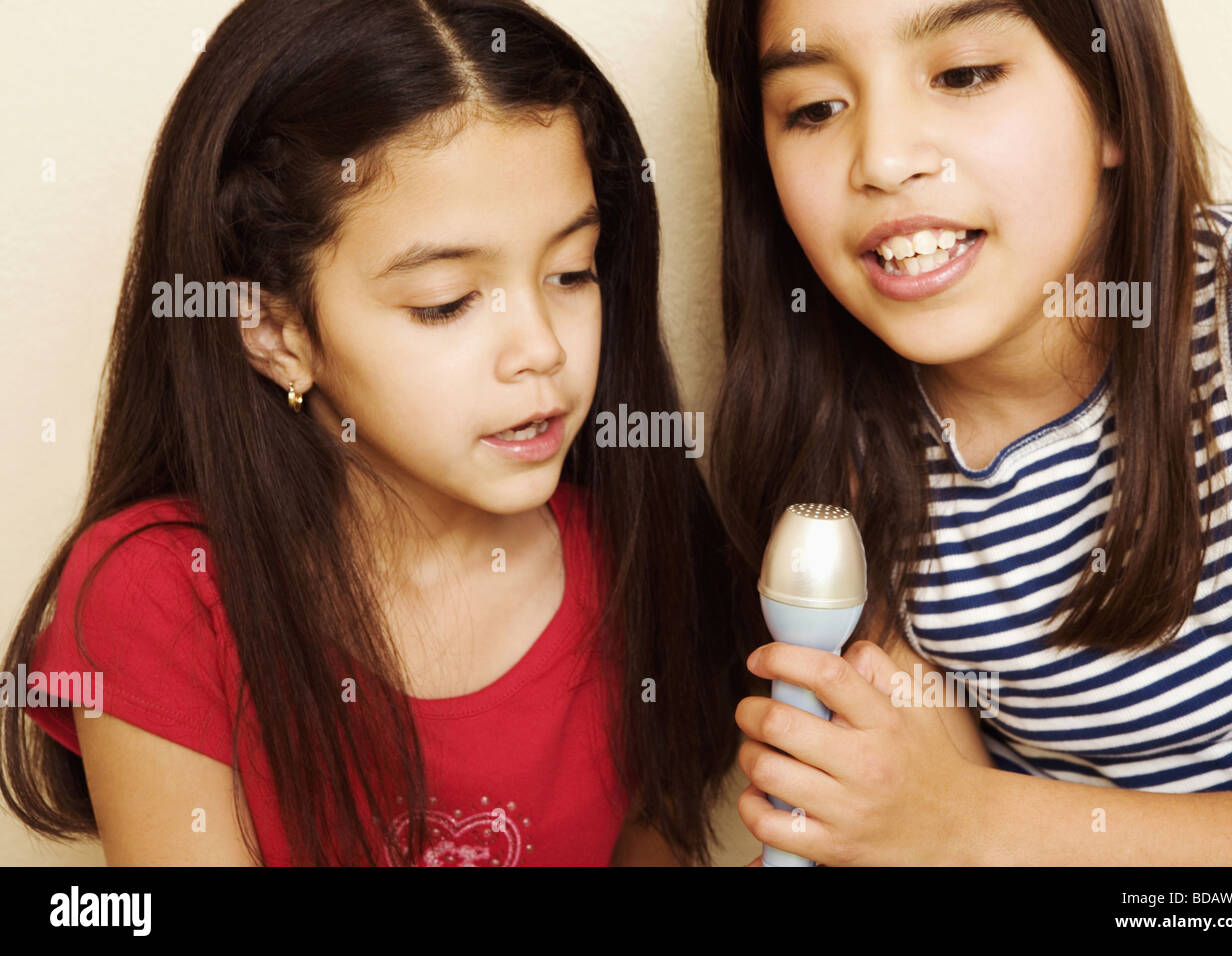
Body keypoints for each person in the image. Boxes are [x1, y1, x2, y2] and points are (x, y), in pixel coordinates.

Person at [2, 0, 746, 866]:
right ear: (276, 333)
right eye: (447, 303)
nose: (542, 349)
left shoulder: (642, 556)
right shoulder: (165, 597)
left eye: (571, 272)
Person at [705, 0, 1232, 864]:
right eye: (815, 109)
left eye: (964, 75)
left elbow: (947, 827)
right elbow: (918, 826)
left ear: (1115, 104)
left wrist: (970, 822)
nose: (883, 160)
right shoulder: (842, 455)